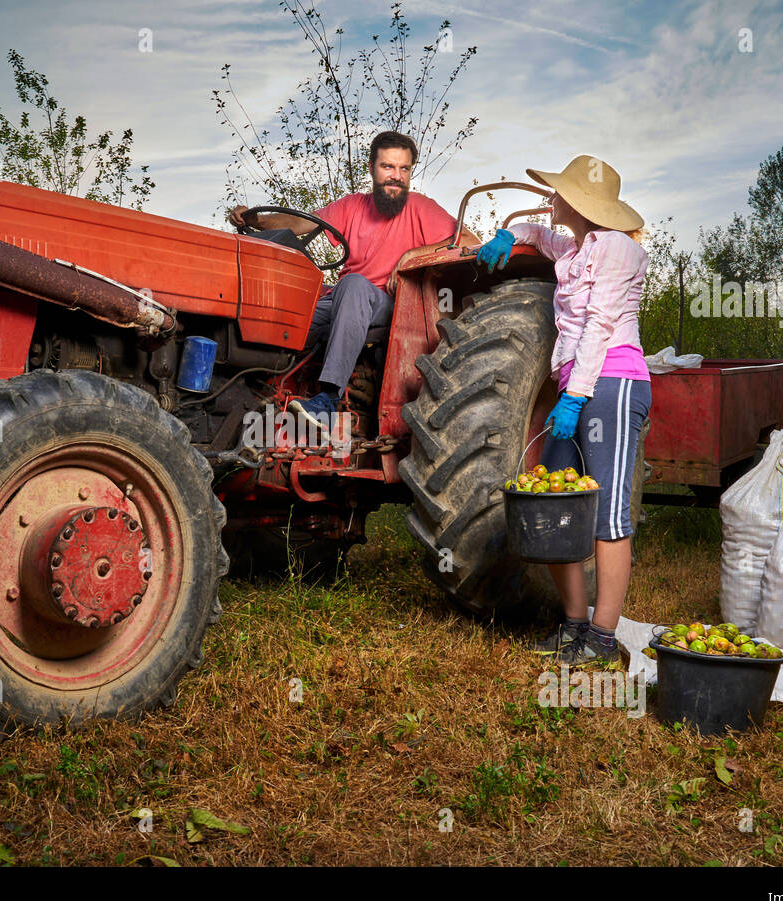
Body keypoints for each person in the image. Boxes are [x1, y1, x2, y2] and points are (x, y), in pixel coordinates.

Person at [476, 155, 651, 666]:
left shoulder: (617, 249)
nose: (550, 199)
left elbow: (599, 326)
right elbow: (535, 229)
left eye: (557, 193)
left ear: (578, 201)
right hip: (575, 383)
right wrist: (511, 235)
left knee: (609, 515)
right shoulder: (575, 245)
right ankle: (573, 622)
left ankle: (599, 636)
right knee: (553, 502)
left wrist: (574, 398)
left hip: (613, 384)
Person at [228, 130, 477, 431]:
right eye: (388, 167)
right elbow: (300, 223)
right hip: (342, 299)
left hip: (390, 304)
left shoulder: (421, 208)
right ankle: (253, 394)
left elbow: (468, 240)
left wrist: (413, 255)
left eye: (404, 169)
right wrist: (255, 220)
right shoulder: (352, 206)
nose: (395, 176)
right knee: (284, 311)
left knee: (355, 284)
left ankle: (327, 401)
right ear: (372, 168)